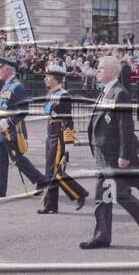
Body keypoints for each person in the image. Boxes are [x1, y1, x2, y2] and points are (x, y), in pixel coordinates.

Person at [80, 55, 139, 249]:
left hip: (114, 154)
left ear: (113, 72)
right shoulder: (106, 91)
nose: (97, 71)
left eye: (101, 69)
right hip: (103, 153)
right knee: (103, 197)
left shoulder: (119, 93)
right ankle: (102, 236)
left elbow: (126, 127)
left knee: (121, 194)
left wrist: (124, 155)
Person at [0, 56, 46, 198]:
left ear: (7, 69)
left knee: (17, 158)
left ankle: (41, 180)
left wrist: (10, 122)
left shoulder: (17, 87)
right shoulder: (6, 84)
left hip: (10, 129)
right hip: (0, 126)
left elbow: (24, 110)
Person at [38, 63, 88, 214]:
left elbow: (68, 119)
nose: (46, 79)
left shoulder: (63, 95)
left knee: (56, 171)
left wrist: (68, 141)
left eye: (48, 76)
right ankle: (51, 204)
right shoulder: (49, 93)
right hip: (50, 132)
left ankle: (79, 192)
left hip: (59, 134)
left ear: (56, 78)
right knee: (49, 171)